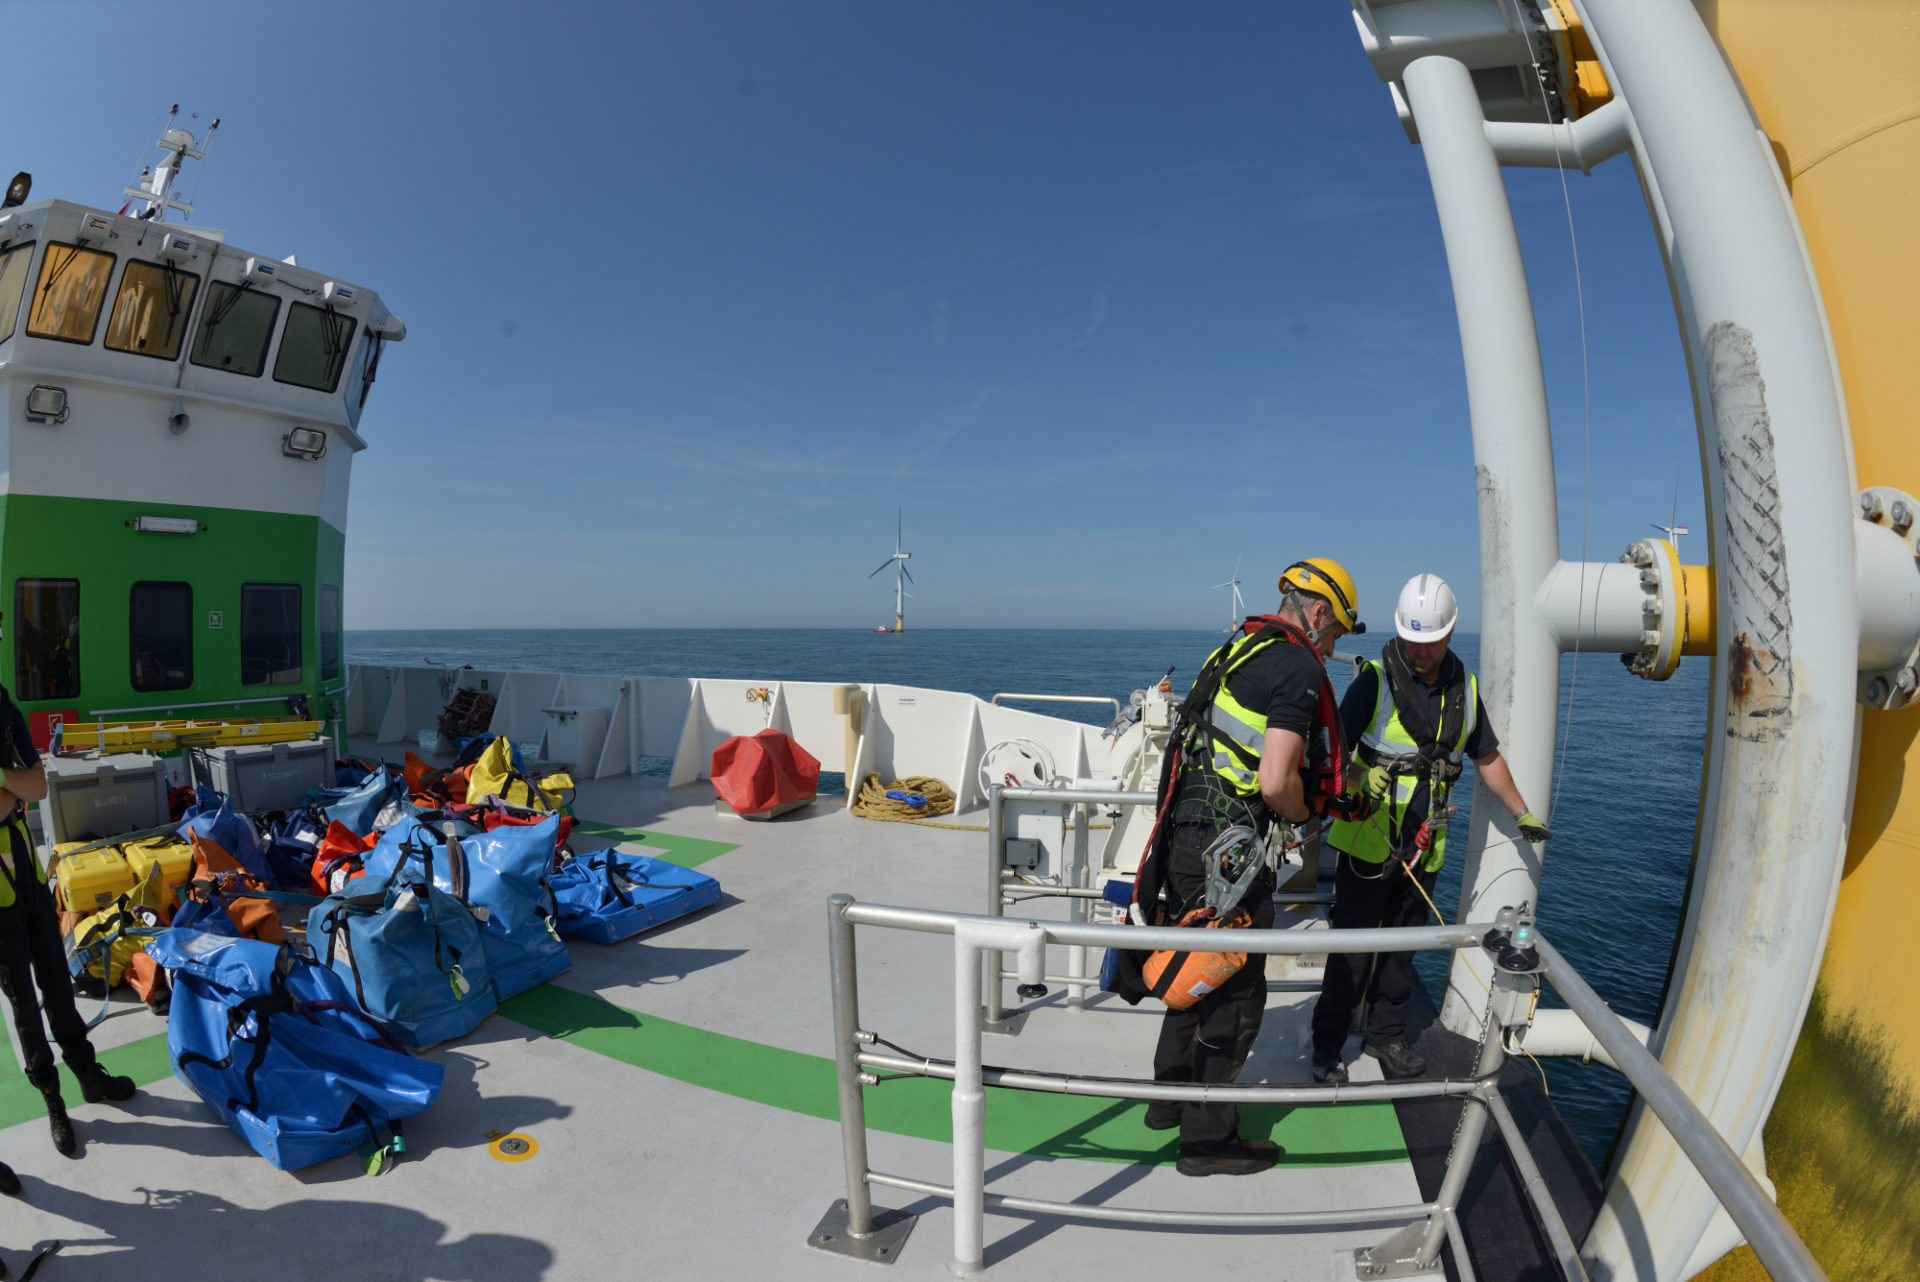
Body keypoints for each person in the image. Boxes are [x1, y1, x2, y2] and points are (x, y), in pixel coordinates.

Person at [1125, 558, 1369, 1177]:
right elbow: (1276, 777)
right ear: (1318, 615)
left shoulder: (1237, 648)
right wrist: (1303, 812)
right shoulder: (1297, 666)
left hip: (1184, 841)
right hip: (1230, 857)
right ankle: (1208, 1142)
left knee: (1191, 968)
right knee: (1233, 994)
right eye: (1336, 630)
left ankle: (1168, 1101)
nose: (1333, 643)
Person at [1310, 574, 1551, 1084]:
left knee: (1403, 949)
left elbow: (1485, 756)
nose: (1421, 652)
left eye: (1432, 642)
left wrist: (1522, 811)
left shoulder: (1465, 691)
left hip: (1424, 847)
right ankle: (1327, 1048)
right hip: (1367, 841)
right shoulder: (1372, 681)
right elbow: (1330, 751)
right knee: (1352, 950)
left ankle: (1386, 1037)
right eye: (1413, 642)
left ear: (1450, 634)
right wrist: (1359, 774)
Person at [0, 631, 136, 1171]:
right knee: (23, 1003)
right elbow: (19, 790)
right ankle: (53, 1101)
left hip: (28, 874)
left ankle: (87, 1076)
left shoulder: (2, 704)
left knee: (57, 982)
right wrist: (14, 786)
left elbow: (37, 786)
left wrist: (6, 784)